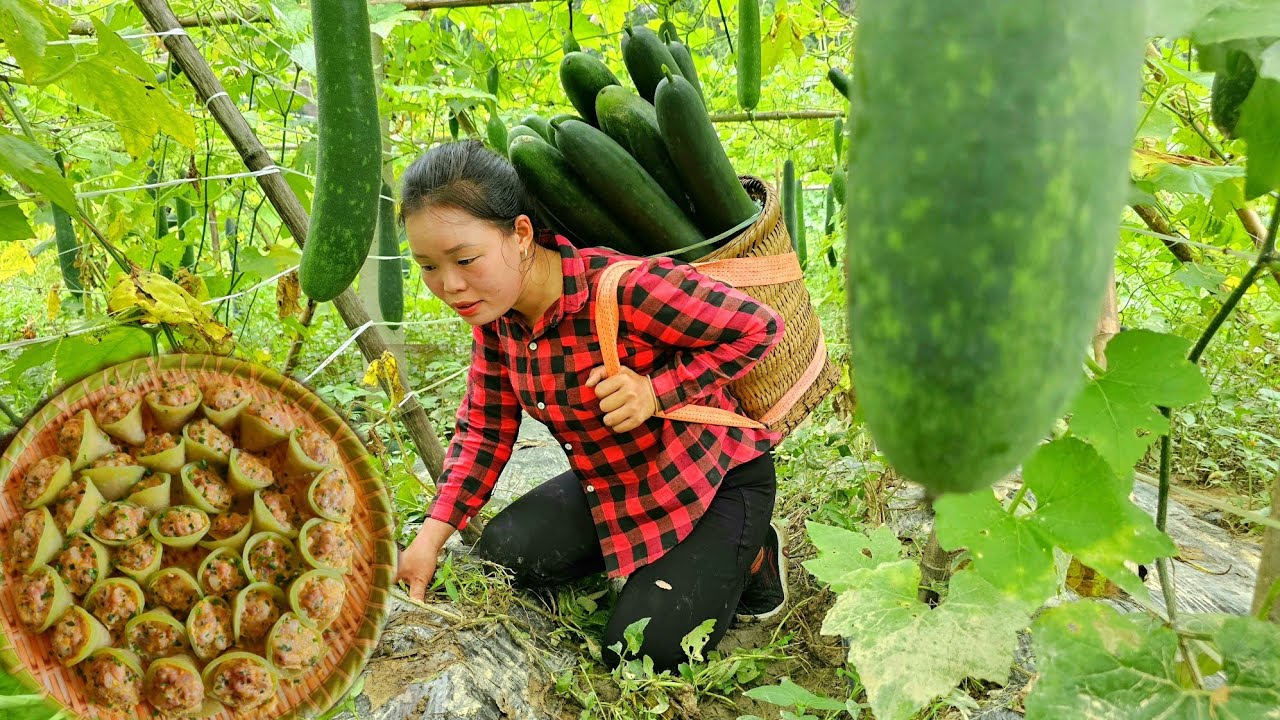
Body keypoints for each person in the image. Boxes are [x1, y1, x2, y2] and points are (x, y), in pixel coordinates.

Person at [393, 140, 789, 672]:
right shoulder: (497, 319)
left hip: (712, 480)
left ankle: (754, 553)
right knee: (500, 559)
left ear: (521, 234)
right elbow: (484, 430)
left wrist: (656, 390)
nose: (450, 285)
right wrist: (429, 537)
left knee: (639, 655)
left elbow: (759, 327)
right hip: (617, 482)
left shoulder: (626, 289)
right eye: (427, 266)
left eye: (465, 259)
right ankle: (661, 560)